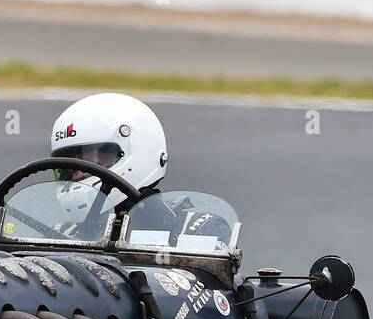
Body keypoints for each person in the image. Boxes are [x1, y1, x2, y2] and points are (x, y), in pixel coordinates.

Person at [47, 93, 234, 245]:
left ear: (136, 151)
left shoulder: (194, 230)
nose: (78, 173)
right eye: (69, 166)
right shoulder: (63, 234)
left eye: (91, 161)